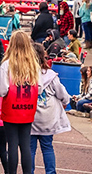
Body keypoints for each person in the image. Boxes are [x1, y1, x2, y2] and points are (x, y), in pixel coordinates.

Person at [0, 31, 40, 174]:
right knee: (25, 144)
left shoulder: (7, 65)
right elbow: (40, 86)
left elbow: (1, 90)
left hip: (11, 108)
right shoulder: (33, 65)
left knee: (12, 144)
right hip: (28, 108)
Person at [30, 43, 71, 174]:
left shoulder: (26, 75)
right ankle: (50, 172)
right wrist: (66, 101)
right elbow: (62, 94)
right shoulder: (51, 75)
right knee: (47, 147)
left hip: (30, 116)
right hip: (47, 117)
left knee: (30, 149)